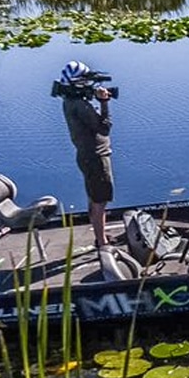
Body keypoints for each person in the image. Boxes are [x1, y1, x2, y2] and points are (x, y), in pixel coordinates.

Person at [60, 60, 115, 248]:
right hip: (96, 157)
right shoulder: (80, 106)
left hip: (85, 156)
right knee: (100, 200)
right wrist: (104, 103)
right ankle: (102, 242)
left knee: (93, 197)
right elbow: (104, 128)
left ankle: (101, 236)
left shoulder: (69, 101)